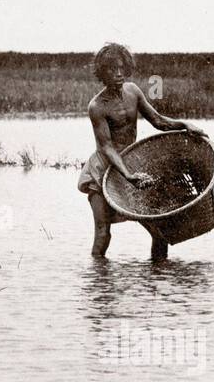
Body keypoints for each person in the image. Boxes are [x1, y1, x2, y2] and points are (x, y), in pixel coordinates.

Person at [77, 42, 206, 260]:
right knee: (102, 233)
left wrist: (185, 124)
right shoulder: (97, 106)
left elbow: (158, 121)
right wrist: (128, 175)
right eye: (111, 69)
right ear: (102, 73)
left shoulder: (133, 91)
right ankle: (99, 285)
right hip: (103, 173)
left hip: (132, 166)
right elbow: (106, 147)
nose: (118, 74)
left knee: (158, 229)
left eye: (121, 68)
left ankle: (157, 282)